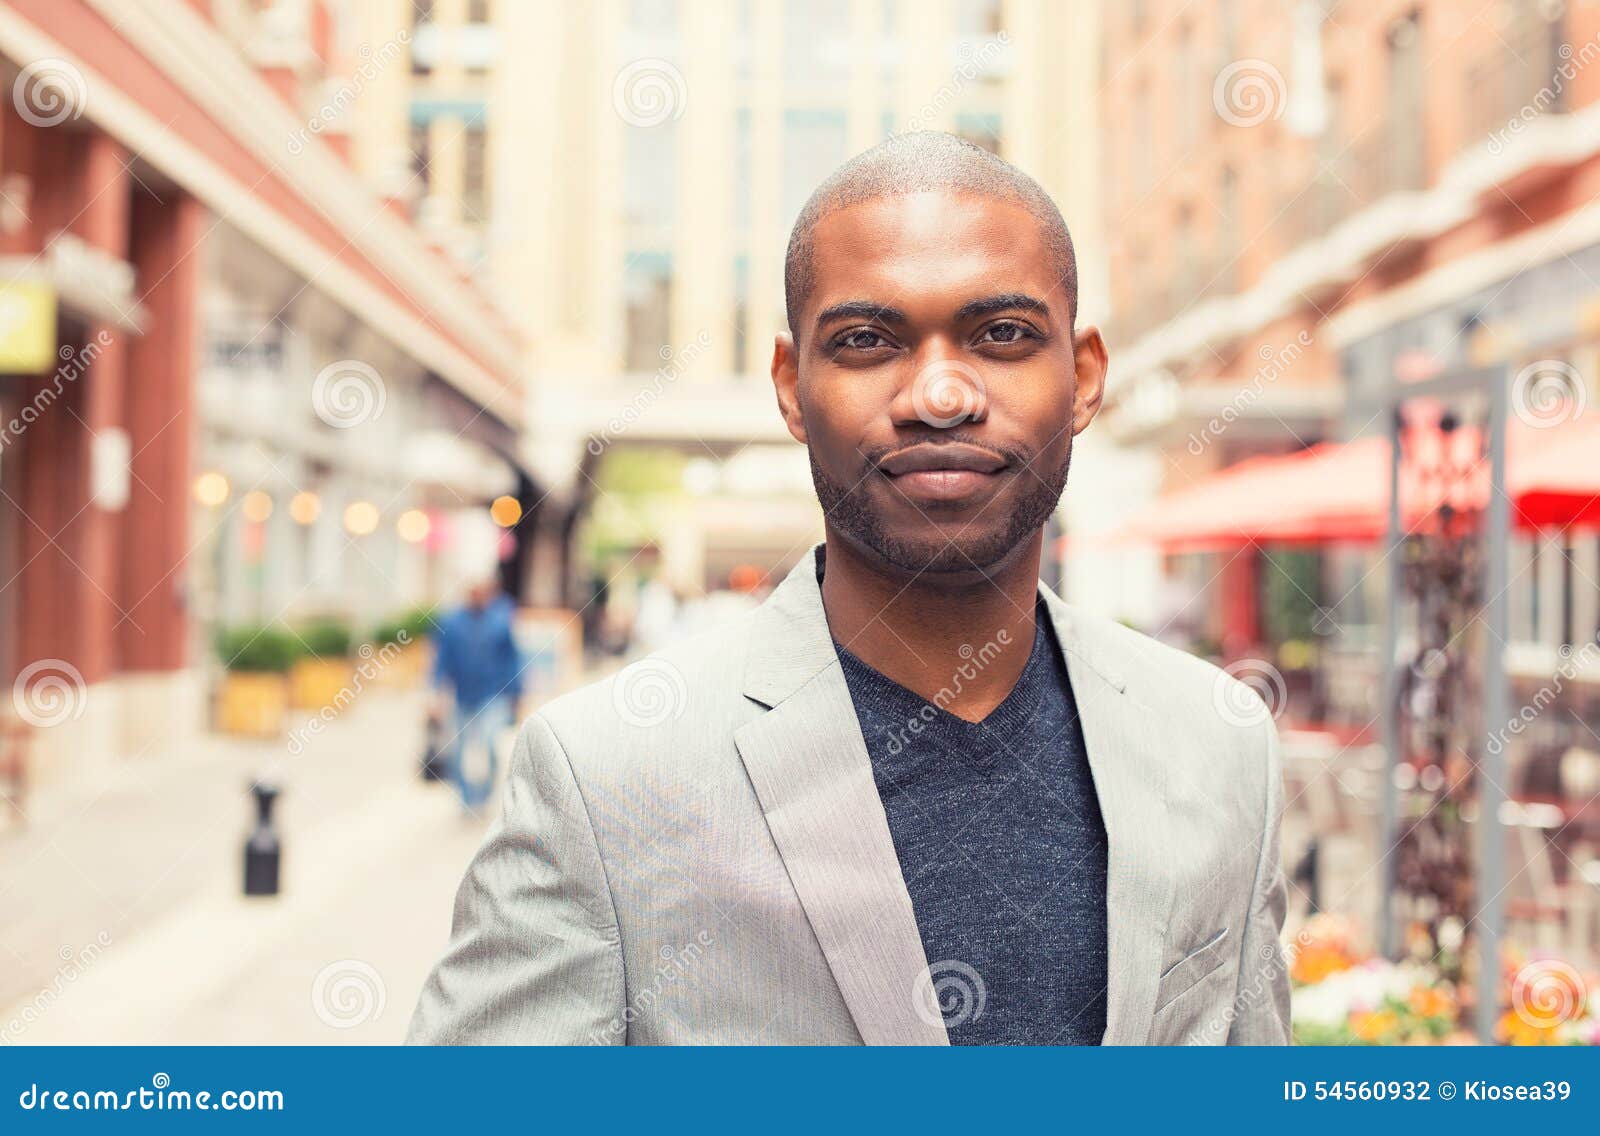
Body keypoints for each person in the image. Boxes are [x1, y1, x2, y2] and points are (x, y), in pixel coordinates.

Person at [409, 133, 1289, 1045]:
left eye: (1003, 335)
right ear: (792, 386)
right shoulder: (603, 778)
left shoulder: (1220, 747)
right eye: (868, 341)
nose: (940, 394)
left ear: (1085, 375)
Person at [427, 577, 525, 813]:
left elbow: (513, 661)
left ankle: (485, 793)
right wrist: (436, 694)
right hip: (462, 696)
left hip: (493, 695)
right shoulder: (451, 623)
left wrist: (517, 695)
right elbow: (441, 660)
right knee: (457, 750)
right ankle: (466, 797)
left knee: (490, 742)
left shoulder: (500, 623)